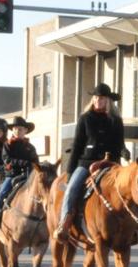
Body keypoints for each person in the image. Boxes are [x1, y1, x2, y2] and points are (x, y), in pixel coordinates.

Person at [54, 84, 126, 241]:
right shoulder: (85, 118)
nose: (98, 100)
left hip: (110, 164)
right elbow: (78, 145)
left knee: (128, 188)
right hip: (87, 163)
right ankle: (64, 222)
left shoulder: (116, 120)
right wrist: (71, 170)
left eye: (102, 98)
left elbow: (119, 143)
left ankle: (136, 227)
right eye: (96, 97)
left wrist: (123, 151)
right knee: (71, 189)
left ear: (108, 101)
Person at [0, 117, 39, 237]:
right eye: (15, 129)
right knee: (1, 195)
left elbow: (35, 162)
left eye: (20, 129)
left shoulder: (30, 147)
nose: (17, 131)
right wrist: (23, 163)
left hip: (28, 176)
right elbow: (7, 160)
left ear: (26, 130)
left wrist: (34, 167)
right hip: (12, 176)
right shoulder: (7, 144)